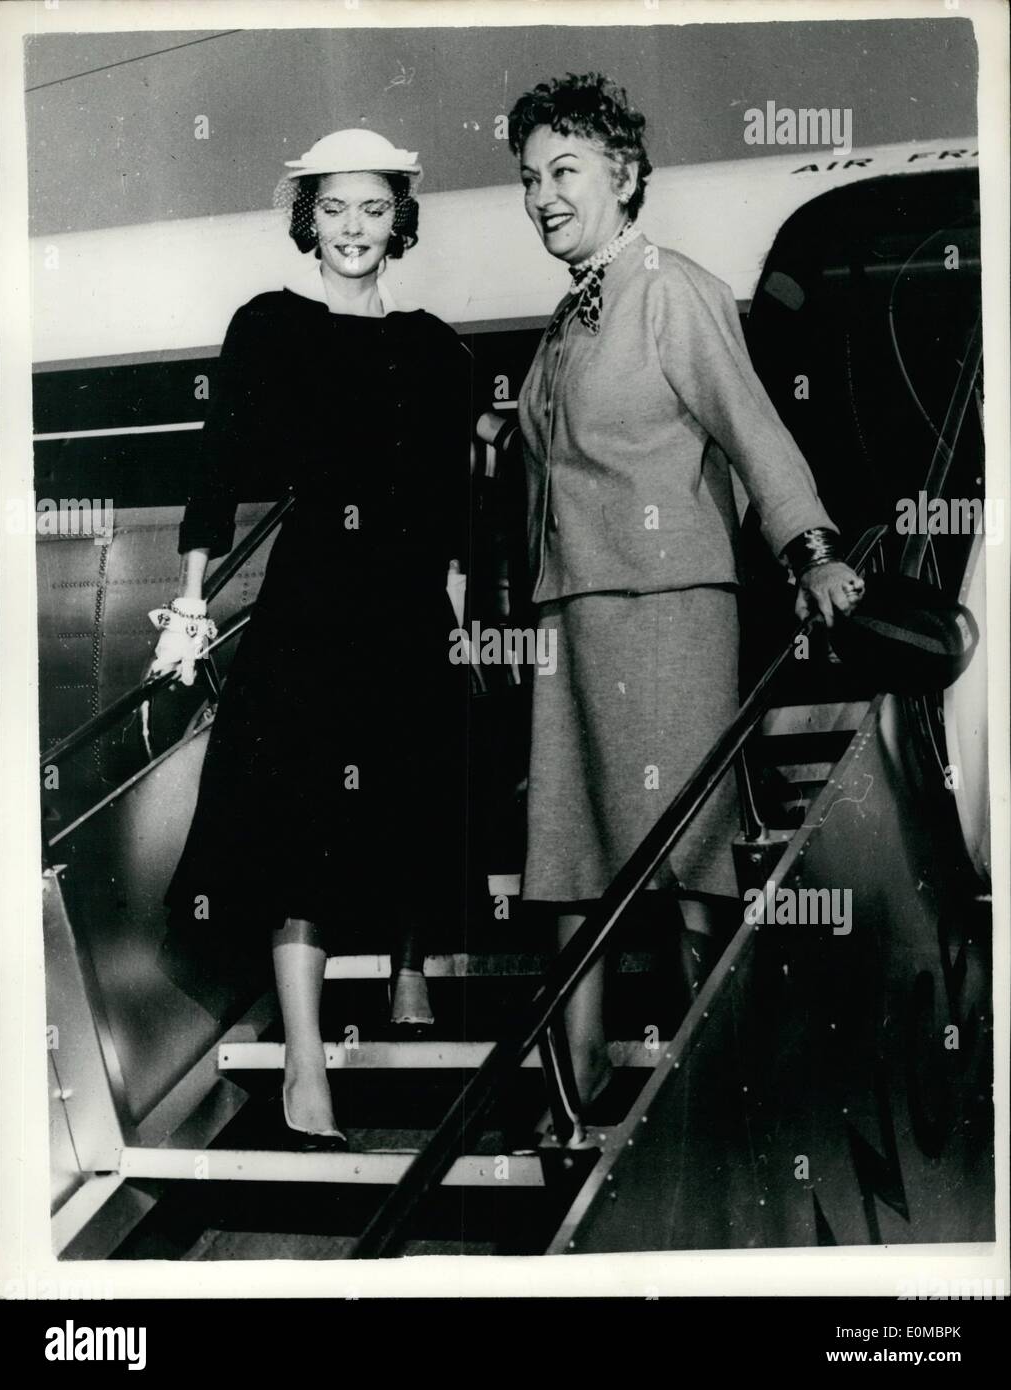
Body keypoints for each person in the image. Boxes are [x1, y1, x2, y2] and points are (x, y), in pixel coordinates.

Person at [507, 74, 865, 1123]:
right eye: (528, 179)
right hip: (569, 619)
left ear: (621, 175)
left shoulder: (673, 290)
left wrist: (807, 550)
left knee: (692, 856)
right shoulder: (561, 326)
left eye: (562, 171)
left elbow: (751, 428)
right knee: (567, 865)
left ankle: (727, 1082)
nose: (541, 196)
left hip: (668, 606)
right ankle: (576, 1097)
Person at [152, 129, 472, 1148]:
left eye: (372, 210)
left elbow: (451, 500)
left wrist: (457, 600)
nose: (352, 229)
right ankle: (303, 1065)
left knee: (414, 789)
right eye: (333, 209)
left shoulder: (434, 347)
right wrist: (193, 600)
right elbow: (217, 470)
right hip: (313, 605)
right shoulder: (269, 328)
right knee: (298, 823)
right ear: (307, 217)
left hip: (409, 600)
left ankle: (411, 977)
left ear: (398, 220)